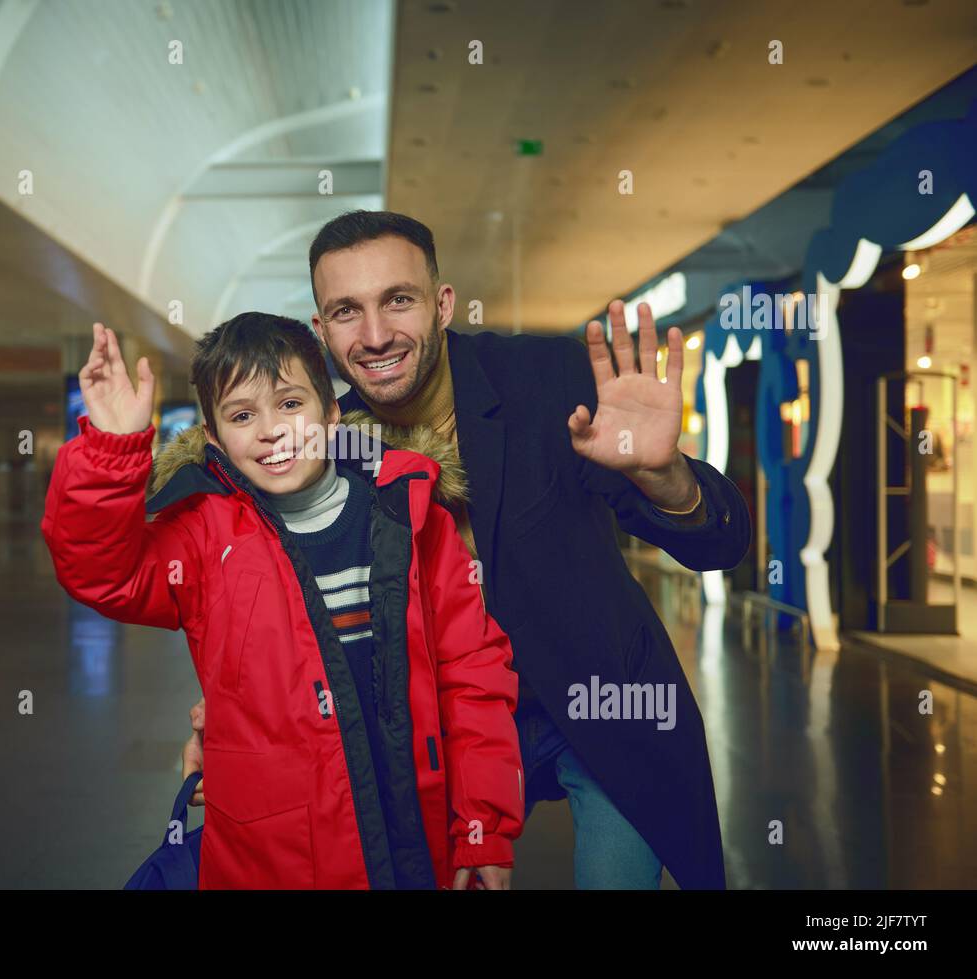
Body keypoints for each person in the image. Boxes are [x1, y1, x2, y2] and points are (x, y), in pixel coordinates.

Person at [186, 211, 751, 890]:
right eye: (346, 311)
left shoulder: (549, 379)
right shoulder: (321, 441)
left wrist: (667, 476)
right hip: (444, 723)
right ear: (320, 330)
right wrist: (230, 713)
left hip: (600, 704)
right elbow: (275, 595)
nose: (374, 335)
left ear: (443, 303)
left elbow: (720, 542)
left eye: (398, 299)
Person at [42, 314, 524, 889]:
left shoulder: (409, 515)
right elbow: (101, 572)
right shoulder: (203, 537)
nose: (272, 431)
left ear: (331, 413)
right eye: (243, 416)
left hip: (414, 843)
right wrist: (111, 450)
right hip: (273, 859)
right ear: (215, 439)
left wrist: (482, 827)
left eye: (290, 404)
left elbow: (471, 676)